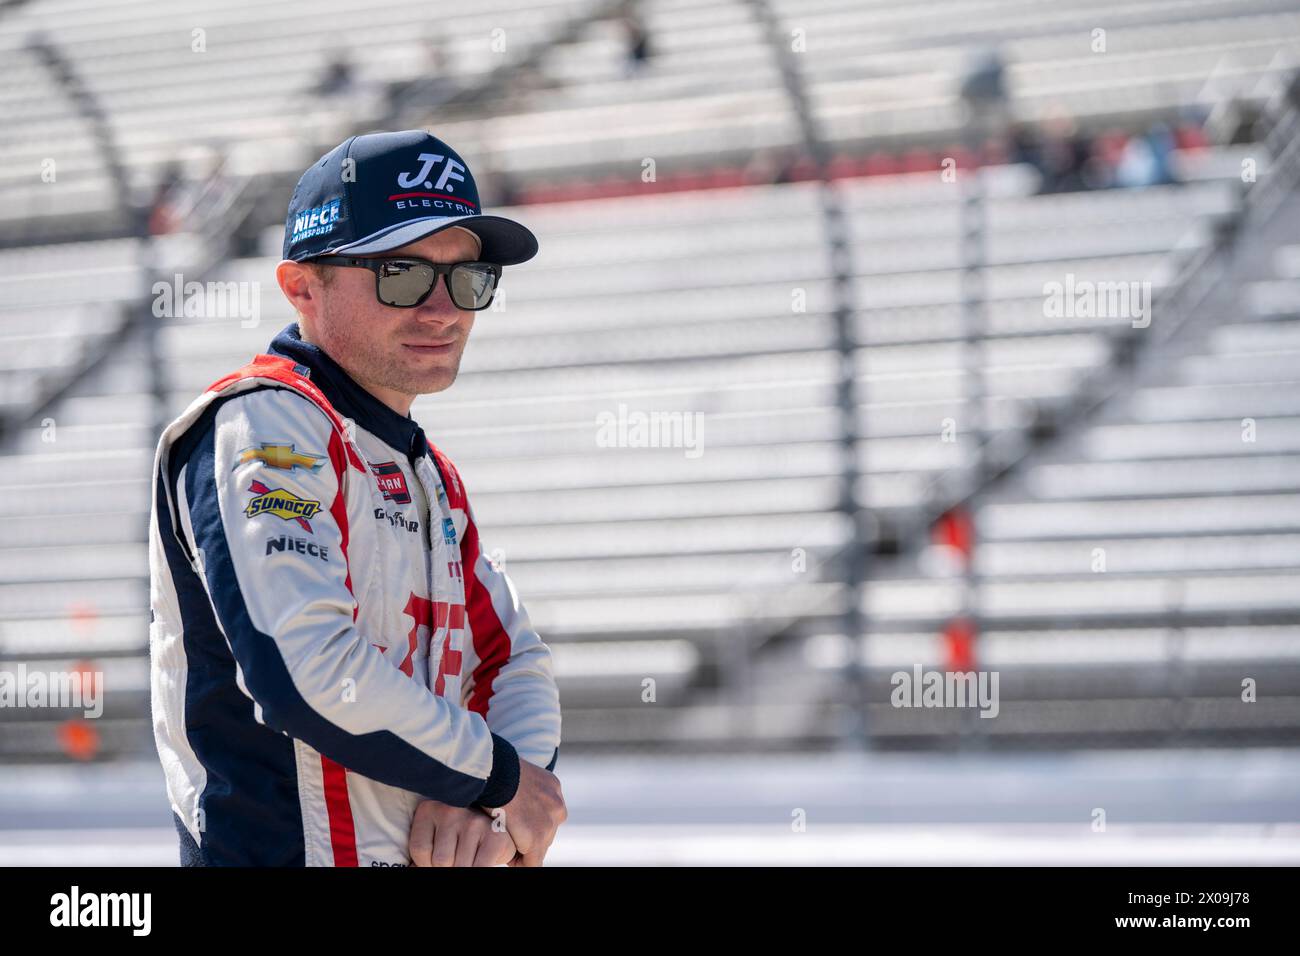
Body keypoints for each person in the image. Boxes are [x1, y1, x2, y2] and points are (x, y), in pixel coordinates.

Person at [148, 129, 565, 866]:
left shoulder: (427, 469)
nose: (443, 310)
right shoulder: (261, 421)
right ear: (302, 287)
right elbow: (307, 674)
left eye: (468, 279)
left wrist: (494, 808)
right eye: (401, 275)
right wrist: (498, 777)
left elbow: (512, 662)